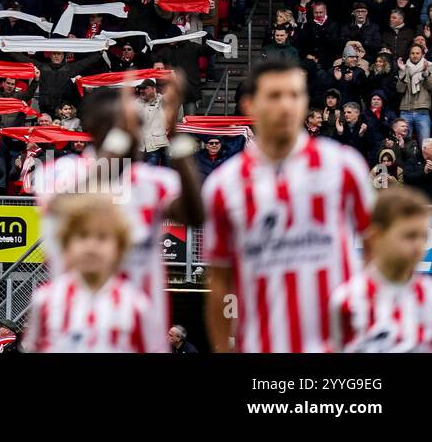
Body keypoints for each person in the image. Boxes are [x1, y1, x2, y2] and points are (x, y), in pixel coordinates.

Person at [203, 60, 373, 353]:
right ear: (249, 105)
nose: (286, 106)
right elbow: (219, 284)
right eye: (274, 96)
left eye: (294, 95)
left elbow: (376, 250)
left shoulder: (344, 165)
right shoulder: (223, 185)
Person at [29, 80, 203, 348]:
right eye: (129, 123)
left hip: (144, 333)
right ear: (98, 127)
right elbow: (67, 203)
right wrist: (120, 140)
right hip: (74, 330)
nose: (137, 129)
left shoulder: (153, 180)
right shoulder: (60, 173)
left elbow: (195, 215)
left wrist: (176, 135)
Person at [25, 195, 163, 353]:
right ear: (66, 244)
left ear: (119, 248)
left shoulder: (137, 306)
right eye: (82, 235)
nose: (91, 246)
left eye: (102, 237)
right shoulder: (44, 299)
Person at [330, 187, 432, 352]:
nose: (419, 246)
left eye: (423, 237)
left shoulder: (428, 294)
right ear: (376, 236)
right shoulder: (345, 299)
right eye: (409, 236)